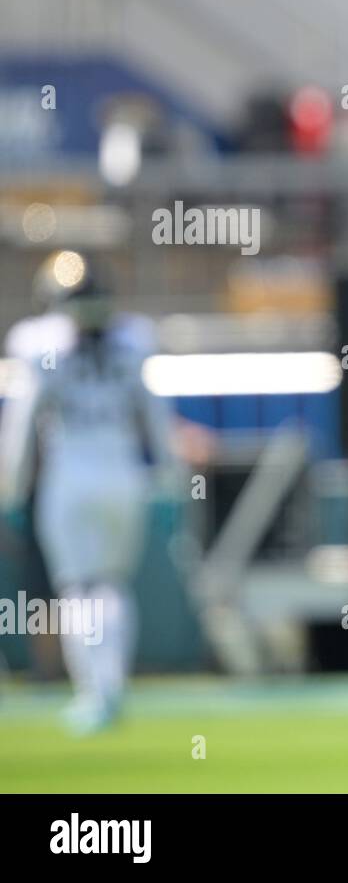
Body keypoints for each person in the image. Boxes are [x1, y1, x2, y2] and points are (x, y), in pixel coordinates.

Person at [0, 250, 177, 735]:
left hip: (70, 477)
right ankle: (111, 687)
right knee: (112, 585)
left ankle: (96, 695)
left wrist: (13, 490)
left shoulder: (38, 343)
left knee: (78, 587)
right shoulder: (133, 340)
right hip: (123, 474)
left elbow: (21, 424)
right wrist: (169, 476)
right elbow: (156, 420)